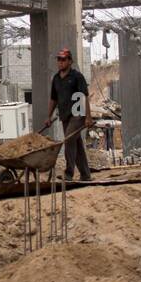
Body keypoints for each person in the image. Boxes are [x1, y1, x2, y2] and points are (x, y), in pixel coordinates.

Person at [41, 47, 92, 182]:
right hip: (65, 115)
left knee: (69, 140)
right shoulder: (56, 78)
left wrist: (88, 117)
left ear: (70, 61)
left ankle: (68, 173)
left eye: (63, 59)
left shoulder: (77, 76)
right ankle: (85, 175)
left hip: (77, 113)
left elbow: (84, 96)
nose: (60, 62)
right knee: (77, 144)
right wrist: (48, 116)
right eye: (59, 59)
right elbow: (53, 99)